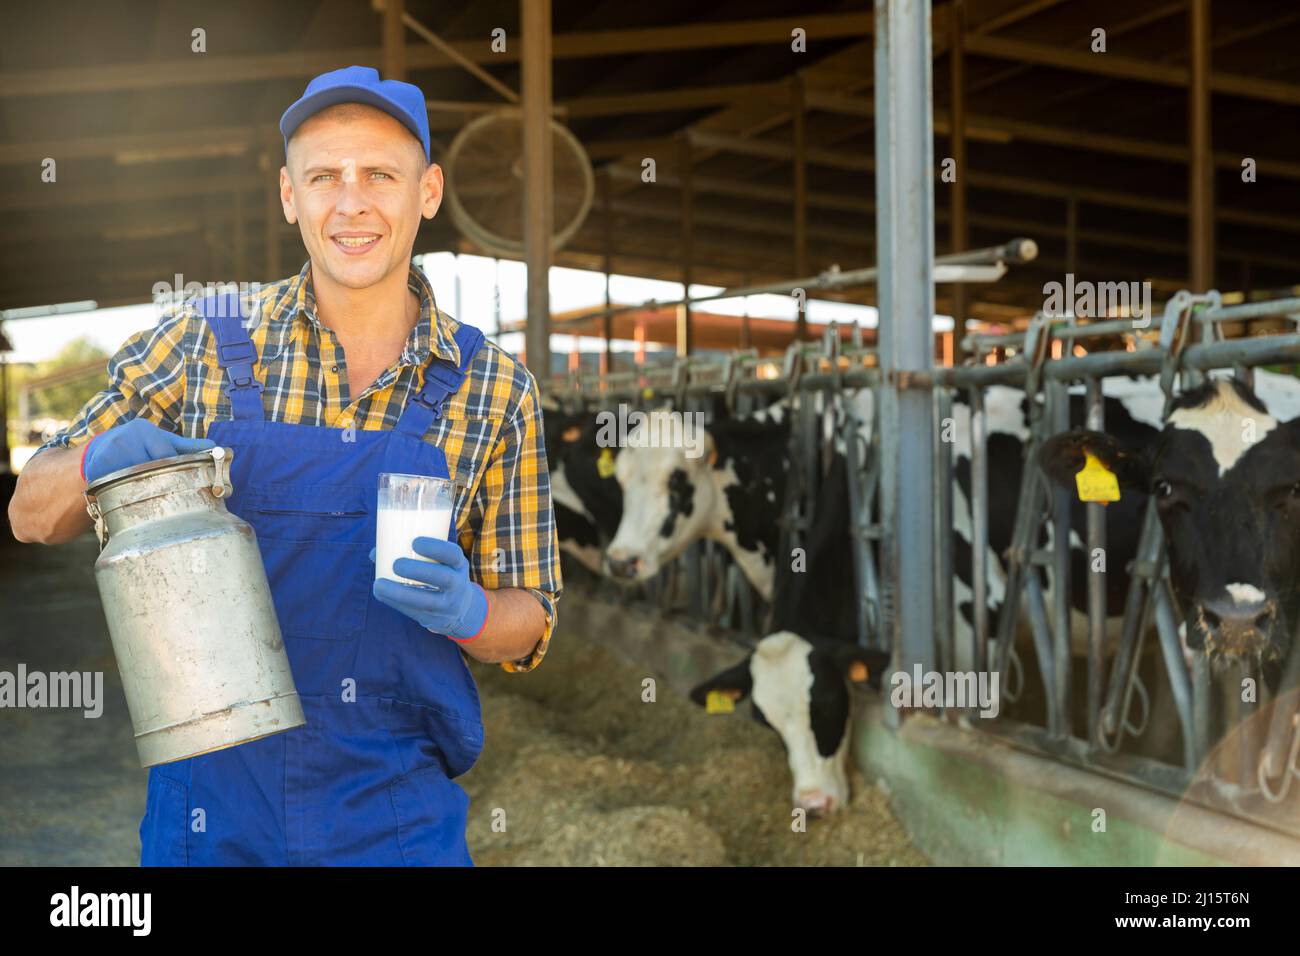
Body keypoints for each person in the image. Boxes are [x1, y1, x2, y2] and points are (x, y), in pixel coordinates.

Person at [7, 65, 563, 866]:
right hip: (212, 809)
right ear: (287, 195)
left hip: (393, 817)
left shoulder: (493, 388)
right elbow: (30, 513)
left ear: (429, 190)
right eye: (323, 177)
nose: (352, 202)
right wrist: (98, 455)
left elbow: (532, 621)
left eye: (380, 174)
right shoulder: (200, 342)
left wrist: (468, 610)